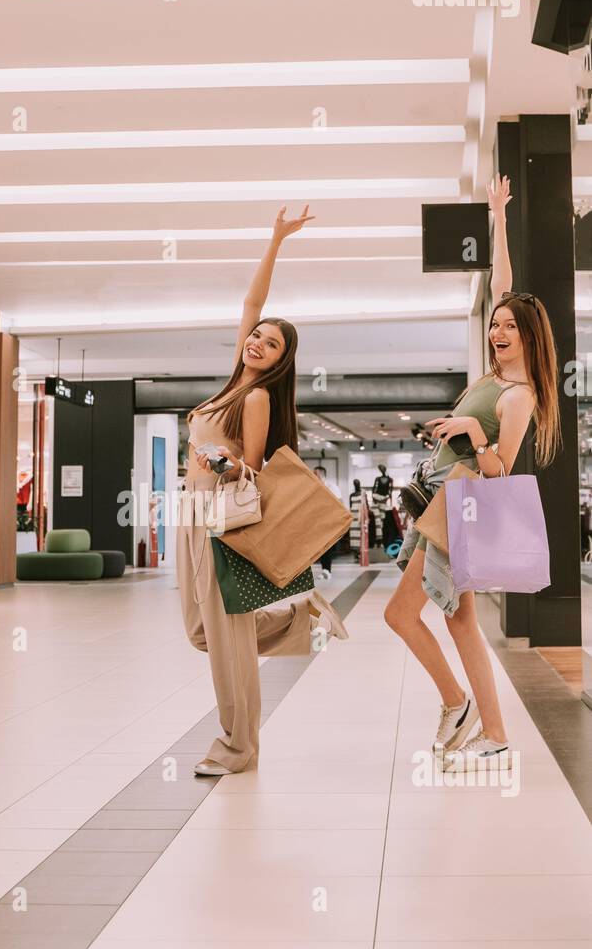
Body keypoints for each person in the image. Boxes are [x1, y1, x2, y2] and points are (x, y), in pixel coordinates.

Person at [384, 175, 561, 766]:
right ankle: (491, 729)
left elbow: (500, 470)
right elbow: (502, 285)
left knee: (405, 614)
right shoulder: (493, 373)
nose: (498, 330)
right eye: (496, 324)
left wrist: (475, 431)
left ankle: (459, 704)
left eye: (511, 327)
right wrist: (499, 217)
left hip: (458, 506)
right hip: (439, 500)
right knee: (456, 622)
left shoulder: (519, 394)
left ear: (530, 337)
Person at [177, 207, 348, 777]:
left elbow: (249, 472)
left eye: (269, 344)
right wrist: (275, 240)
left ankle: (237, 746)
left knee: (227, 643)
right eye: (256, 337)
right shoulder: (234, 380)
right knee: (203, 632)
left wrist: (222, 462)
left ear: (281, 362)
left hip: (221, 517)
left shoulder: (256, 399)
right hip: (190, 514)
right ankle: (300, 618)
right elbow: (250, 305)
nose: (255, 341)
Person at [313, 464, 343, 578]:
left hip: (330, 520)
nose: (312, 475)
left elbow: (340, 502)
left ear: (320, 474)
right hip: (318, 520)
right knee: (321, 546)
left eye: (315, 473)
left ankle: (326, 570)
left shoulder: (331, 486)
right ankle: (325, 569)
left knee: (327, 546)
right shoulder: (314, 487)